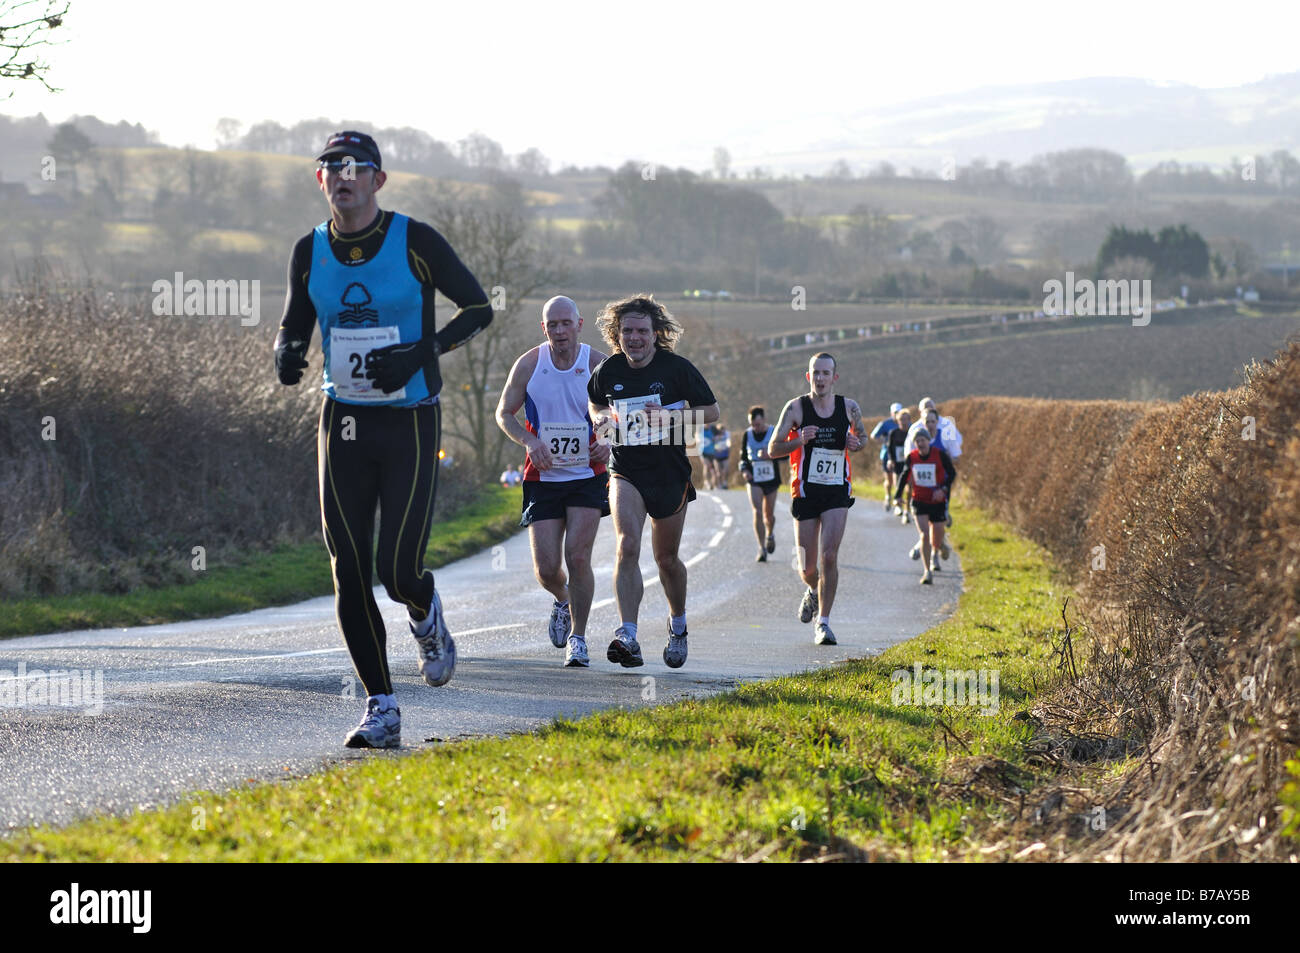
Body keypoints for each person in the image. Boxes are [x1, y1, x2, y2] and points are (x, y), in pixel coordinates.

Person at [274, 131, 493, 749]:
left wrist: (421, 353)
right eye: (330, 167)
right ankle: (382, 707)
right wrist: (286, 352)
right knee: (348, 567)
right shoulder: (308, 249)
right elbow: (296, 321)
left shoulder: (414, 240)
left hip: (411, 417)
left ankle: (425, 613)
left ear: (378, 179)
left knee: (397, 571)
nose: (341, 176)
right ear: (321, 181)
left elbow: (478, 308)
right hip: (341, 420)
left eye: (354, 167)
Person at [587, 295, 719, 669]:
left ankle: (677, 624)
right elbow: (594, 400)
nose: (634, 338)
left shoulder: (677, 369)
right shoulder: (610, 370)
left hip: (669, 473)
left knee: (666, 559)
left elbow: (712, 411)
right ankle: (627, 634)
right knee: (627, 546)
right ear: (617, 334)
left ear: (655, 333)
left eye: (642, 331)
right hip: (626, 468)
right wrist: (600, 419)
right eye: (627, 331)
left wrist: (672, 413)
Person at [495, 296, 610, 667]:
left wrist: (608, 440)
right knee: (546, 569)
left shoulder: (597, 364)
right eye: (552, 325)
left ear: (579, 324)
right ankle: (563, 600)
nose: (560, 331)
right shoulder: (529, 364)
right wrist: (529, 441)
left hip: (586, 475)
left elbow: (625, 411)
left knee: (578, 556)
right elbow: (504, 413)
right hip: (542, 476)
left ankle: (578, 638)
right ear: (544, 329)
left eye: (566, 323)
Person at [767, 352, 865, 646]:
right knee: (807, 568)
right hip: (805, 492)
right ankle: (812, 589)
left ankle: (823, 623)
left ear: (834, 377)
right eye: (815, 373)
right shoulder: (796, 408)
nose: (820, 378)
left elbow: (863, 438)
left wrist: (856, 443)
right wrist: (799, 440)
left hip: (836, 490)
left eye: (826, 373)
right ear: (808, 377)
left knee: (829, 556)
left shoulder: (849, 407)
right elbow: (773, 448)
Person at [894, 424, 956, 584]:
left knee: (937, 534)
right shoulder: (912, 457)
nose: (920, 443)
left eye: (923, 440)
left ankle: (940, 545)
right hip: (919, 500)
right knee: (924, 535)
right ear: (915, 443)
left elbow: (952, 474)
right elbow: (905, 475)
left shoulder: (940, 455)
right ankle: (927, 571)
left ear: (928, 441)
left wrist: (942, 489)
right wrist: (898, 495)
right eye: (917, 441)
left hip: (938, 501)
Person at [737, 405, 783, 562]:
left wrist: (770, 456)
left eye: (757, 424)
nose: (755, 427)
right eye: (752, 424)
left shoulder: (773, 432)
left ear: (763, 419)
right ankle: (761, 548)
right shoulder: (747, 434)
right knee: (757, 511)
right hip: (754, 478)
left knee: (768, 515)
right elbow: (743, 457)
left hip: (771, 479)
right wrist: (744, 470)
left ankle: (770, 534)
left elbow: (786, 454)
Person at [870, 402, 903, 509]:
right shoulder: (885, 424)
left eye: (899, 412)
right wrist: (885, 440)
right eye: (895, 413)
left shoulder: (904, 422)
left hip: (900, 455)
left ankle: (897, 501)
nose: (897, 415)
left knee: (899, 479)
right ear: (891, 413)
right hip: (887, 455)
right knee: (889, 480)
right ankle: (888, 495)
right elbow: (874, 435)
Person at [886, 407, 913, 523]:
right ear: (897, 420)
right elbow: (890, 448)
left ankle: (907, 511)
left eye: (906, 419)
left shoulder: (912, 432)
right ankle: (899, 506)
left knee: (909, 487)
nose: (904, 421)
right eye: (901, 419)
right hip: (898, 463)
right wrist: (890, 460)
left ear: (909, 420)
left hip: (910, 463)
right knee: (899, 486)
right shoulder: (894, 433)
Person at [710, 423, 732, 489]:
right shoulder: (715, 436)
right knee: (718, 472)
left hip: (725, 455)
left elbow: (729, 442)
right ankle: (719, 484)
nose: (722, 432)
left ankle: (725, 482)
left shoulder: (727, 434)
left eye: (723, 430)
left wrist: (729, 446)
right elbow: (711, 444)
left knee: (726, 470)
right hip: (716, 457)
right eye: (720, 430)